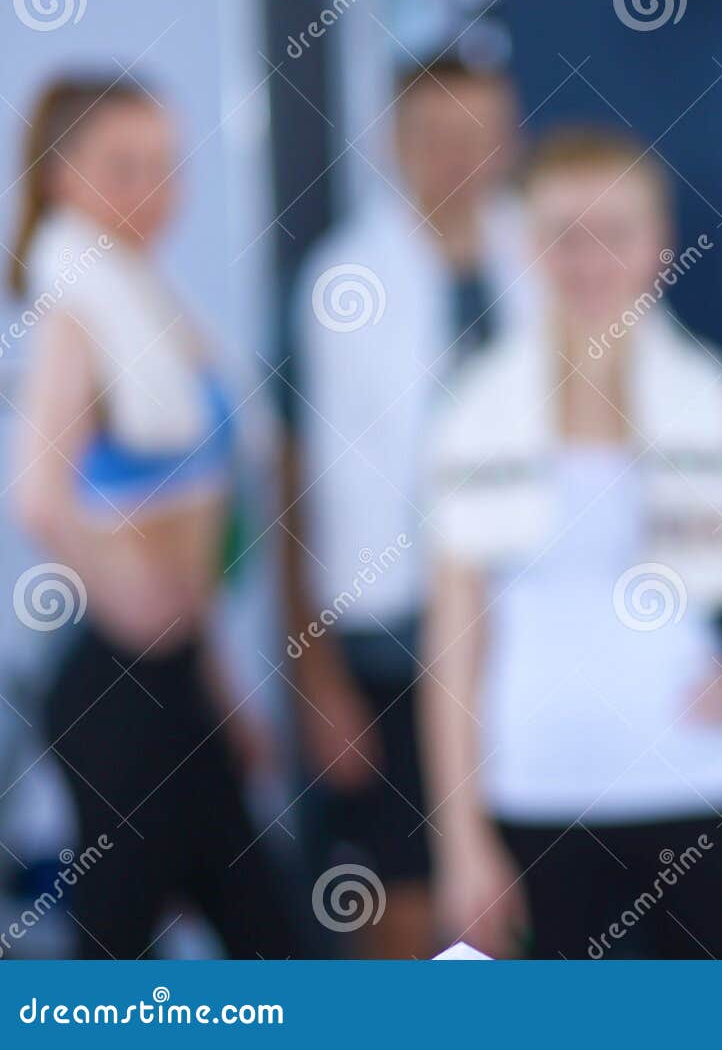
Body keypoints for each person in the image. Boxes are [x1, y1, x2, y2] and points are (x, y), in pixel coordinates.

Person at [421, 127, 722, 959]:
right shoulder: (472, 412)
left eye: (616, 232)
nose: (589, 256)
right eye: (563, 232)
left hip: (702, 792)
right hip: (533, 795)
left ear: (659, 247)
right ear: (526, 244)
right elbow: (452, 645)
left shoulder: (713, 398)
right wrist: (458, 839)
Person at [8, 75, 297, 958]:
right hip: (118, 693)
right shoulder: (77, 319)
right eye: (122, 168)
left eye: (166, 167)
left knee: (269, 938)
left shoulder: (157, 310)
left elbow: (198, 529)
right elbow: (36, 495)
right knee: (120, 958)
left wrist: (217, 685)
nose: (152, 193)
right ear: (61, 179)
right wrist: (131, 599)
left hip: (179, 687)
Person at [285, 51, 529, 958]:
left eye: (481, 136)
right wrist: (315, 673)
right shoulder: (339, 282)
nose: (460, 158)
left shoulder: (545, 258)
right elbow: (295, 482)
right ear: (393, 143)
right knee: (405, 916)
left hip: (524, 642)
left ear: (512, 141)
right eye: (435, 136)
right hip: (388, 646)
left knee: (509, 905)